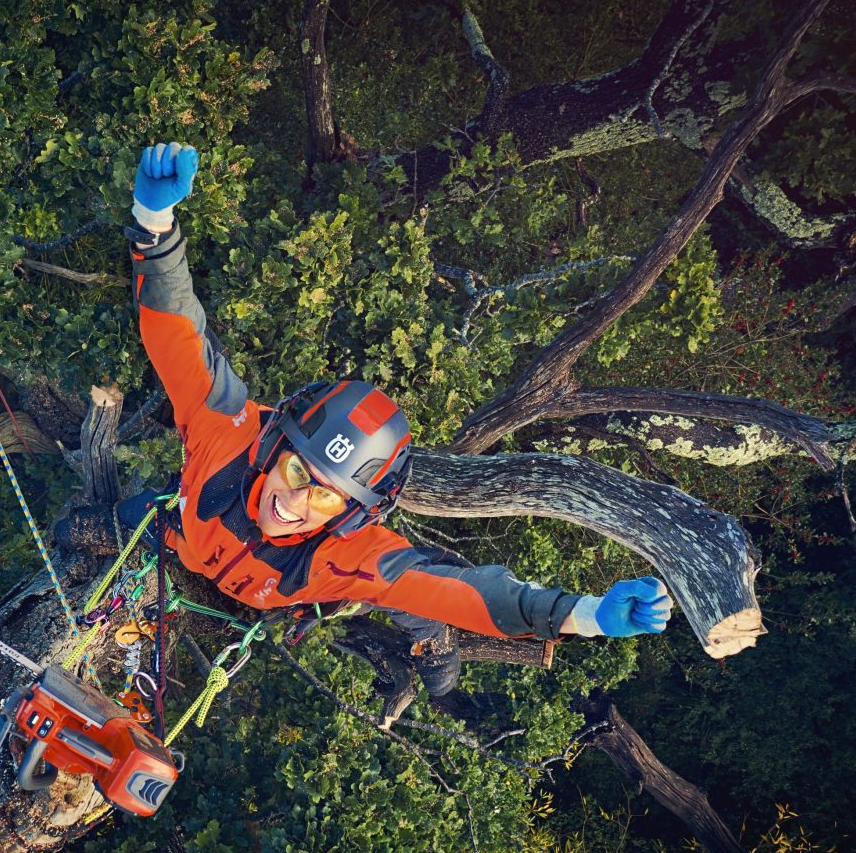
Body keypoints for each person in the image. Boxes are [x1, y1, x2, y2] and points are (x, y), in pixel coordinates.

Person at [118, 141, 671, 711]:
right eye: (297, 470)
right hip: (188, 540)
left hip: (281, 597)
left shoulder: (345, 555)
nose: (294, 501)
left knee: (404, 599)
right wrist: (154, 221)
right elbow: (178, 332)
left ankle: (434, 647)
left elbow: (461, 590)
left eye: (327, 497)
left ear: (350, 515)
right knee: (106, 526)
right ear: (272, 446)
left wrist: (586, 614)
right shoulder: (226, 435)